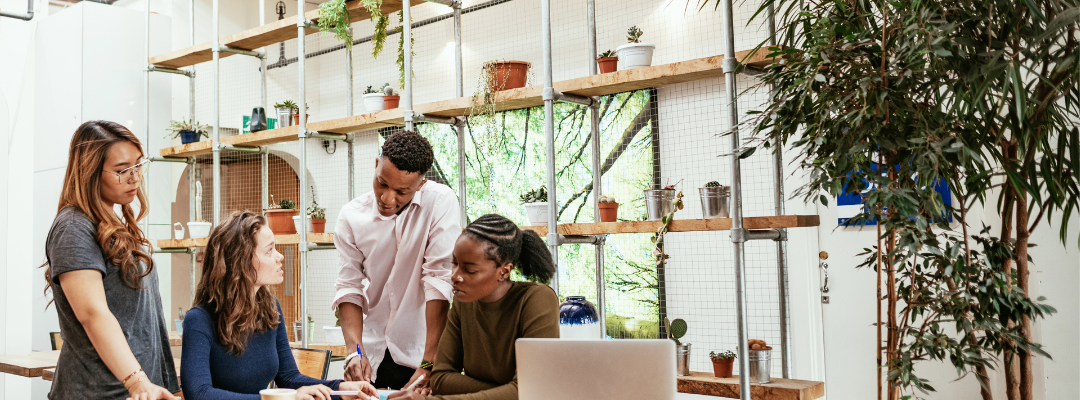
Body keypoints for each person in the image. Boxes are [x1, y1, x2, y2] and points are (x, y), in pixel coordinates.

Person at [42, 120, 180, 400]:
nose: (134, 177)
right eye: (122, 170)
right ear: (90, 173)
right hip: (98, 392)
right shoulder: (74, 227)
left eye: (138, 165)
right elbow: (93, 314)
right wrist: (137, 382)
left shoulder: (111, 222)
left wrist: (161, 383)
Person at [181, 211, 379, 400]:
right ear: (241, 262)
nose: (280, 256)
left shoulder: (270, 308)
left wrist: (339, 389)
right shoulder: (199, 320)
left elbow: (289, 377)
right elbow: (198, 394)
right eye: (269, 251)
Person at [335, 131, 461, 390]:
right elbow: (349, 287)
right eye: (382, 183)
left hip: (422, 353)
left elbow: (439, 281)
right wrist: (354, 352)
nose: (387, 199)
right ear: (376, 165)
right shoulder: (351, 216)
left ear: (421, 184)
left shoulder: (440, 202)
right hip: (374, 357)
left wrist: (429, 363)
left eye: (402, 191)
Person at [389, 214, 560, 400]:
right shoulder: (463, 303)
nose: (455, 276)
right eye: (454, 264)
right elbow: (440, 378)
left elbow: (534, 390)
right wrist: (511, 391)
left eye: (470, 270)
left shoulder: (537, 299)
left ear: (504, 271)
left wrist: (518, 391)